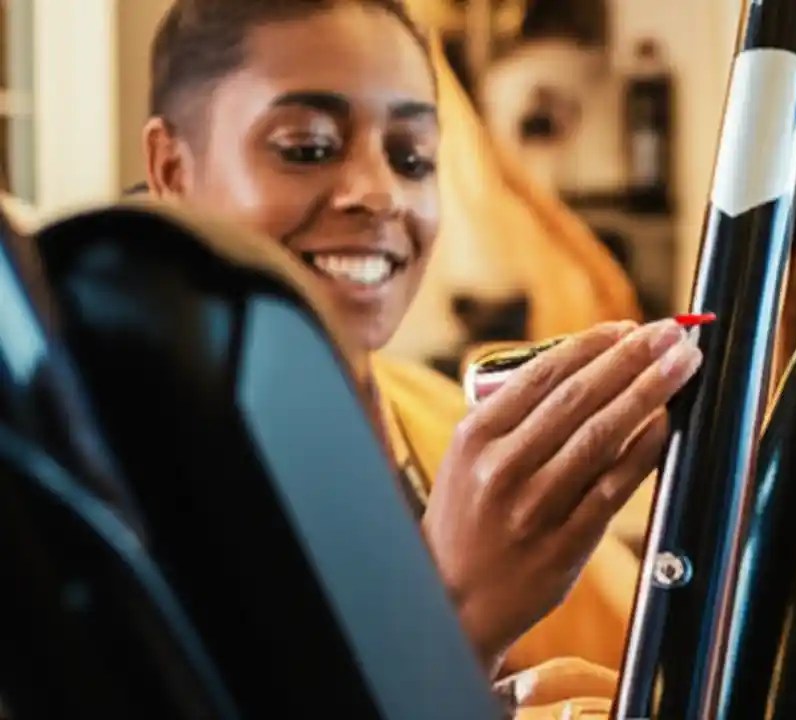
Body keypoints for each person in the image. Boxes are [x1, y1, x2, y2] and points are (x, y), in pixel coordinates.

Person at [141, 0, 701, 713]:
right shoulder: (112, 486)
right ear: (171, 167)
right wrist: (450, 619)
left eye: (412, 158)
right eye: (308, 147)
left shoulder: (442, 425)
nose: (380, 194)